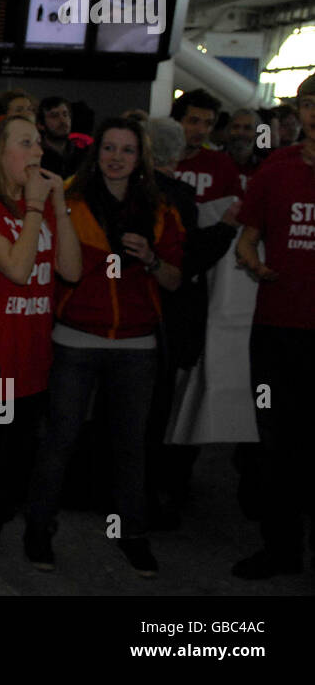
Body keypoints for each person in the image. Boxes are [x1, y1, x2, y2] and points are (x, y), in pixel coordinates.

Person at [26, 117, 184, 577]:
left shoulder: (160, 210)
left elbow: (175, 280)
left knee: (130, 447)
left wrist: (151, 259)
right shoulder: (69, 203)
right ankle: (39, 529)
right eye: (109, 149)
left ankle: (131, 534)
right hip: (75, 340)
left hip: (137, 345)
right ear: (96, 155)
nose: (116, 158)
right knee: (59, 441)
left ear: (141, 160)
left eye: (127, 150)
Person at [0, 114, 80, 595]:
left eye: (39, 144)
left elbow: (70, 269)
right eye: (26, 144)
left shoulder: (39, 206)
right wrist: (33, 209)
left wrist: (57, 207)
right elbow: (19, 270)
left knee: (4, 489)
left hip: (32, 371)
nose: (39, 153)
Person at [231, 75, 315, 578]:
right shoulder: (276, 169)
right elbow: (248, 237)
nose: (314, 113)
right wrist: (252, 261)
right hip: (278, 329)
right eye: (308, 104)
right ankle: (281, 549)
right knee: (276, 442)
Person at [145, 118, 237, 527]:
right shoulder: (175, 195)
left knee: (145, 410)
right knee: (164, 410)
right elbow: (185, 259)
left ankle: (145, 488)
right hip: (171, 321)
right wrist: (224, 231)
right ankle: (159, 491)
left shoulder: (144, 192)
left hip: (144, 320)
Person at [172, 88, 242, 215]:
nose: (201, 130)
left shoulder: (222, 165)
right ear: (176, 122)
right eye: (194, 121)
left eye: (208, 124)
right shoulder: (157, 161)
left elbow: (235, 212)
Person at [37, 96, 85, 178]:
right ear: (41, 125)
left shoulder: (81, 152)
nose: (62, 120)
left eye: (65, 114)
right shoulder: (36, 155)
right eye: (54, 116)